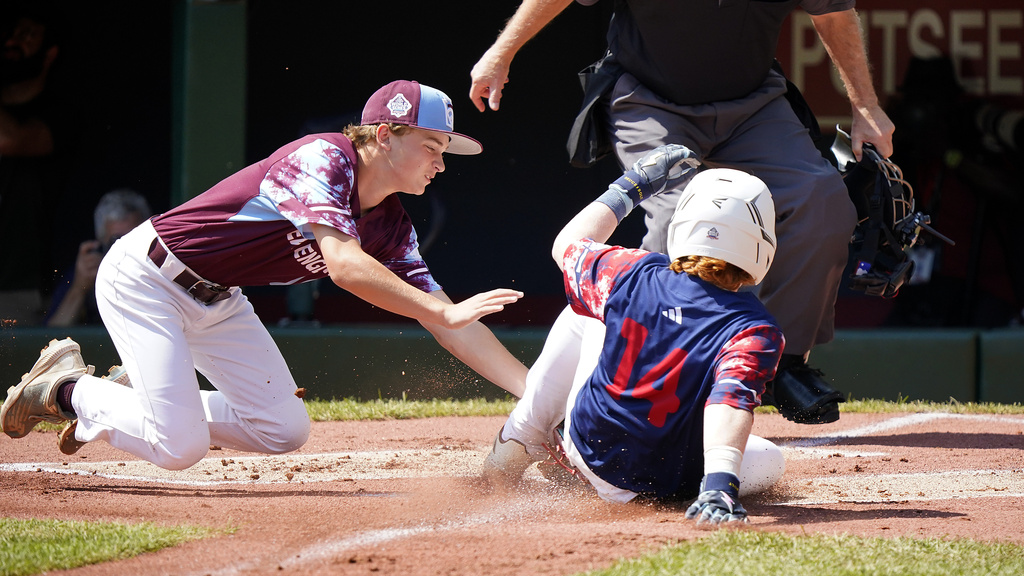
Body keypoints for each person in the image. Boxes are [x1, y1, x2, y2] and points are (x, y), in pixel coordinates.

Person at [1, 80, 530, 467]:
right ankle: (68, 390)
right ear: (385, 136)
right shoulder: (325, 156)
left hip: (217, 299)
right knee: (178, 448)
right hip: (148, 278)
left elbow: (451, 327)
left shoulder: (391, 224)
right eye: (432, 148)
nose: (440, 164)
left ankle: (138, 397)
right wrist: (441, 308)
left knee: (283, 429)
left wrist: (534, 394)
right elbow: (345, 268)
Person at [468, 0, 897, 424]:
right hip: (649, 98)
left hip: (754, 104)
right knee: (680, 223)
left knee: (821, 201)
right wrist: (501, 52)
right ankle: (647, 377)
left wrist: (865, 105)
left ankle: (778, 365)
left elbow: (834, 13)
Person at [483, 144, 786, 524]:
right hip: (665, 481)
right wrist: (719, 484)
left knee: (590, 303)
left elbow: (567, 247)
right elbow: (729, 402)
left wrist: (631, 187)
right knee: (771, 459)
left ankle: (521, 435)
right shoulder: (756, 328)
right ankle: (534, 439)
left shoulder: (632, 271)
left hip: (589, 447)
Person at [0, 2, 67, 325]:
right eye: (10, 34)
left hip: (17, 286)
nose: (13, 42)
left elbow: (12, 141)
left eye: (27, 35)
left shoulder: (58, 110)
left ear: (50, 52)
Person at [46, 188, 153, 327]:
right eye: (117, 241)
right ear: (101, 243)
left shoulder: (162, 268)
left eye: (134, 238)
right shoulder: (86, 272)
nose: (128, 250)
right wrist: (79, 288)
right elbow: (52, 334)